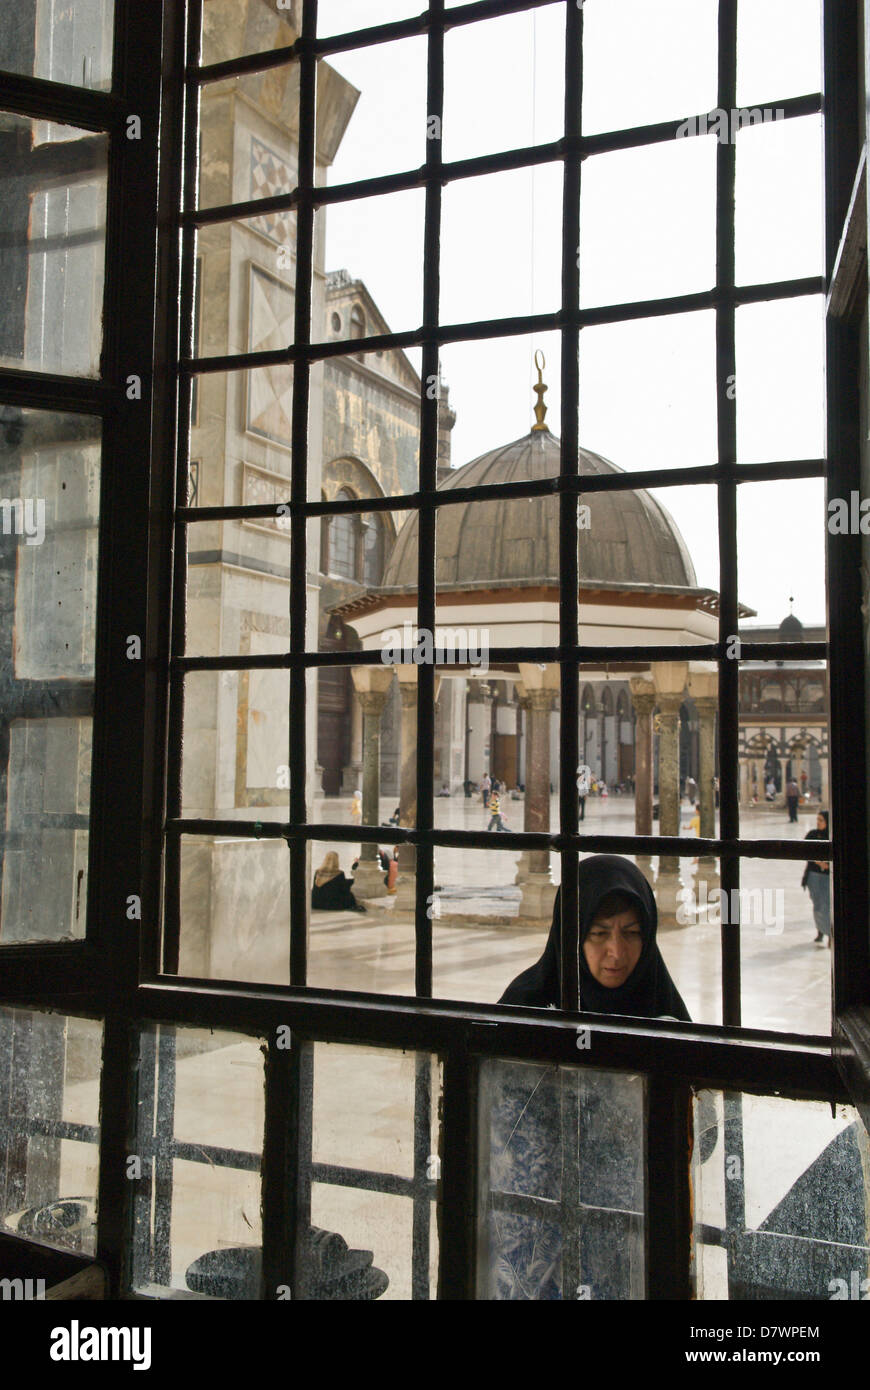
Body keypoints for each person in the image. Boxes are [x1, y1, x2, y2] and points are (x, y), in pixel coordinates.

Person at [490, 857, 696, 1300]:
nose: (616, 954)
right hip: (534, 1244)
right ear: (572, 934)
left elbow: (700, 1134)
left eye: (632, 933)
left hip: (628, 1246)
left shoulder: (662, 1011)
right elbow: (497, 1129)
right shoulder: (528, 1005)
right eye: (598, 934)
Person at [802, 810, 831, 947]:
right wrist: (817, 861)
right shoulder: (812, 835)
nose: (818, 823)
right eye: (817, 820)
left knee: (827, 905)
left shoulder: (831, 836)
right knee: (817, 904)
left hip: (827, 877)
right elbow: (803, 851)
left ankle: (831, 933)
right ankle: (820, 931)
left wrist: (828, 866)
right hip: (814, 876)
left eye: (821, 820)